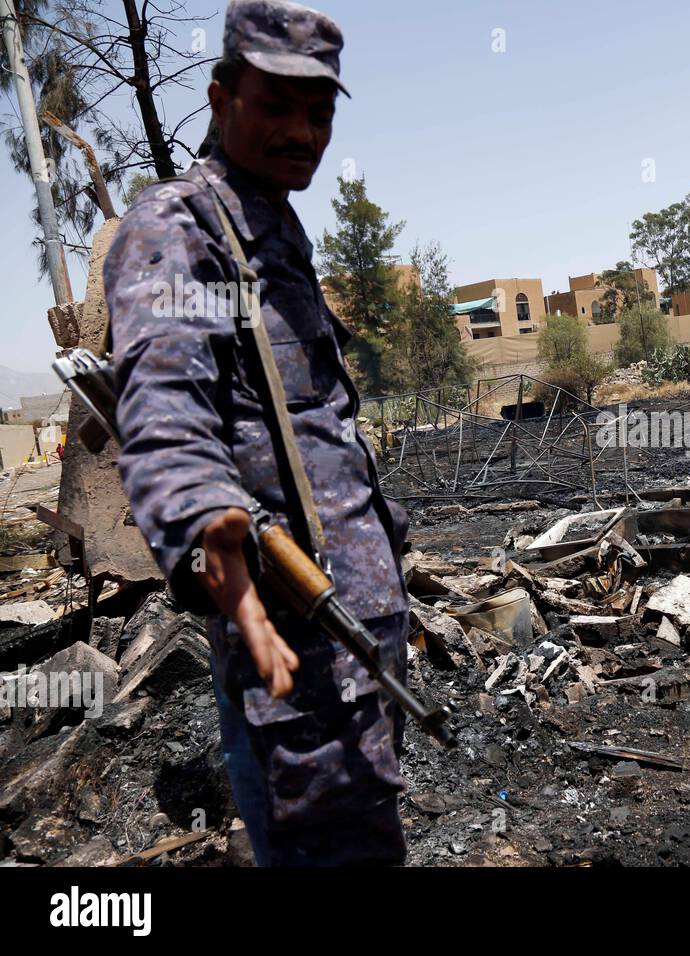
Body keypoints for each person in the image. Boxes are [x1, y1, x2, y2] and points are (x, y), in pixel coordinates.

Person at [103, 0, 411, 866]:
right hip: (292, 643)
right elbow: (166, 409)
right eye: (276, 104)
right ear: (219, 97)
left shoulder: (272, 225)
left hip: (358, 635)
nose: (302, 131)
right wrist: (216, 542)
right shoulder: (182, 228)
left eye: (319, 113)